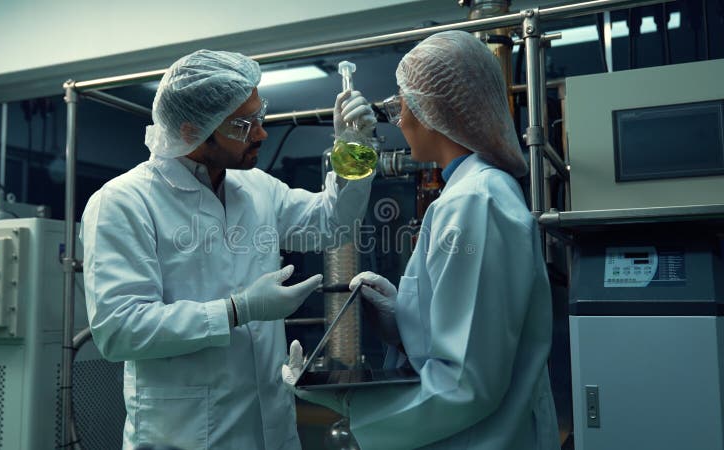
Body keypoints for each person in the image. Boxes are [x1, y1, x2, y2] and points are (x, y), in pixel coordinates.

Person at [81, 49, 377, 450]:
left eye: (259, 116)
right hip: (185, 436)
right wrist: (237, 310)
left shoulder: (255, 188)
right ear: (191, 131)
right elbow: (119, 330)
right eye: (242, 125)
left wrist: (353, 149)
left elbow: (333, 223)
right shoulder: (125, 201)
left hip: (273, 430)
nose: (261, 133)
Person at [283, 30, 560, 449]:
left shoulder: (475, 202)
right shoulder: (467, 194)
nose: (399, 120)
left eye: (401, 105)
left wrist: (348, 401)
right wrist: (402, 323)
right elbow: (470, 333)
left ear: (433, 111)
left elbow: (465, 383)